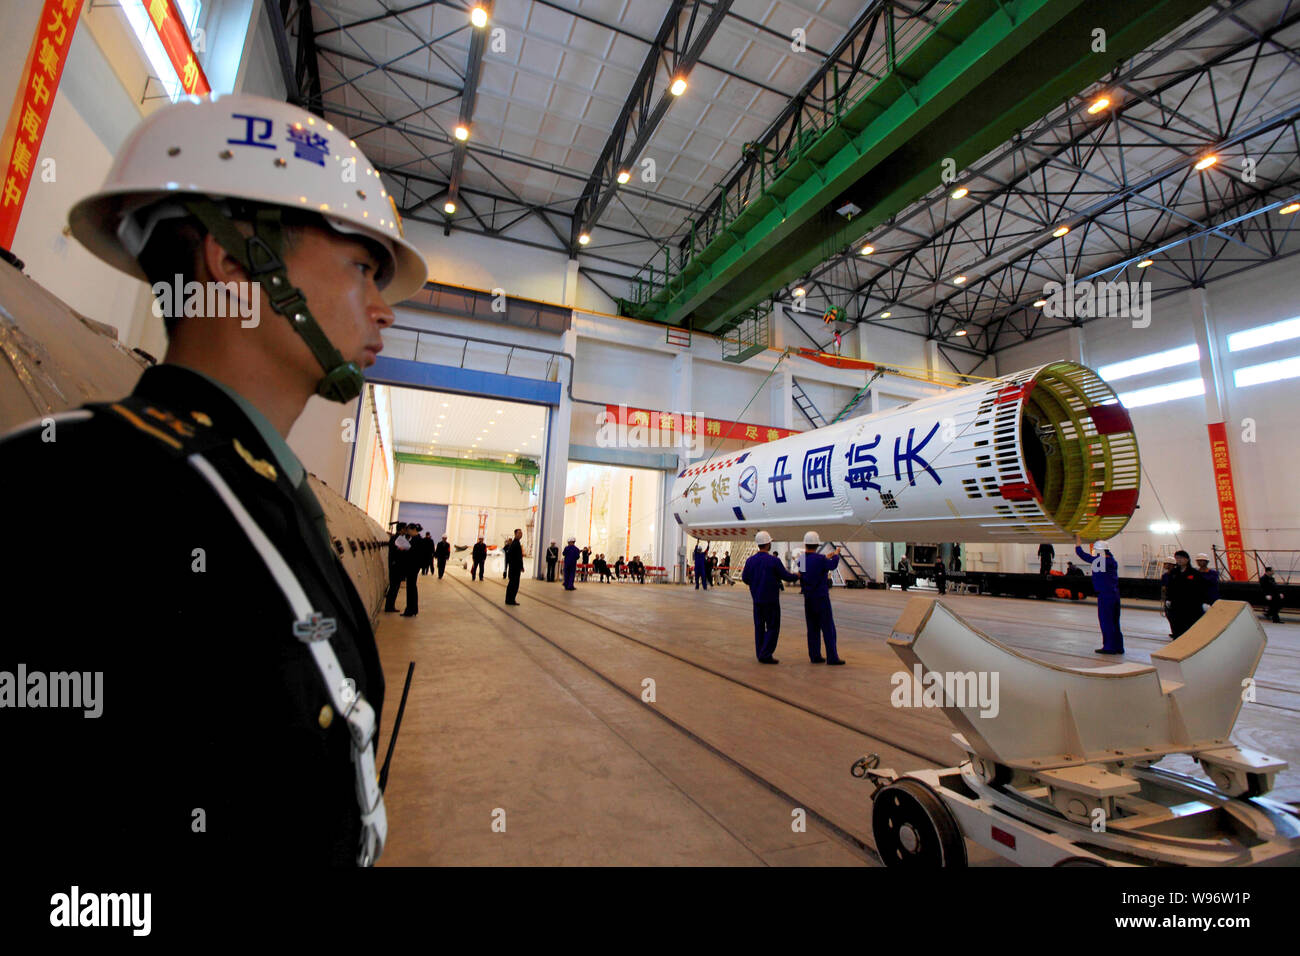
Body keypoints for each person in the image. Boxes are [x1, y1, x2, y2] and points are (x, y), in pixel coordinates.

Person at [0, 93, 427, 867]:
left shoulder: (259, 490)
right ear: (232, 260)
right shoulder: (74, 493)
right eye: (361, 267)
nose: (381, 308)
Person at [742, 531, 800, 663]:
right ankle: (766, 654)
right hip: (771, 601)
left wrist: (755, 585)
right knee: (773, 627)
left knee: (759, 627)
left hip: (757, 600)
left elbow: (745, 578)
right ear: (768, 544)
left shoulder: (750, 561)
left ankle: (760, 652)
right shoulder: (774, 561)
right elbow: (785, 576)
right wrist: (797, 576)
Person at [800, 532, 845, 664]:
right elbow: (832, 565)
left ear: (806, 544)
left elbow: (804, 573)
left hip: (808, 599)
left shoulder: (802, 559)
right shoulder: (821, 559)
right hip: (821, 598)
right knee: (828, 628)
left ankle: (815, 656)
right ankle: (832, 657)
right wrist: (836, 555)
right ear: (817, 544)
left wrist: (826, 557)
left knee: (812, 628)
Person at [1075, 535, 1123, 654]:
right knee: (1115, 622)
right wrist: (1099, 542)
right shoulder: (1112, 561)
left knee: (1106, 621)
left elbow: (1084, 556)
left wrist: (1078, 544)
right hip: (1115, 594)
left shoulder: (1101, 562)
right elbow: (1101, 555)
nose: (1094, 552)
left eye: (1096, 550)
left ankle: (1109, 647)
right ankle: (1118, 647)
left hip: (1105, 596)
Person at [1163, 549, 1206, 639]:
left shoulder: (1194, 573)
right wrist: (1168, 599)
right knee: (1177, 626)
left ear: (1187, 559)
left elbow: (1200, 589)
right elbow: (1170, 587)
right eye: (1177, 558)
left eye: (1181, 558)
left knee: (1190, 628)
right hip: (1176, 605)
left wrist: (1202, 602)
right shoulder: (1174, 573)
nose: (1179, 560)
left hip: (1191, 606)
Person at [385, 522, 411, 612]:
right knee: (394, 587)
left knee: (394, 587)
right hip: (396, 567)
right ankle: (389, 607)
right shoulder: (397, 539)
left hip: (395, 566)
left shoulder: (396, 538)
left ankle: (390, 606)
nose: (406, 531)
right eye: (405, 529)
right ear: (401, 529)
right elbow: (401, 552)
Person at [400, 523, 422, 617]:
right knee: (412, 588)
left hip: (412, 567)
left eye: (409, 531)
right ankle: (413, 609)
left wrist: (404, 550)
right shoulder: (416, 539)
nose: (408, 532)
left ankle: (409, 610)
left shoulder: (416, 540)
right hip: (414, 567)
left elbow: (413, 554)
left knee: (411, 588)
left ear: (413, 530)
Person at [504, 528, 524, 605]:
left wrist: (521, 566)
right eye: (519, 533)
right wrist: (517, 566)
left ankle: (510, 599)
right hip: (514, 568)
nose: (520, 534)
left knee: (513, 584)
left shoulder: (517, 543)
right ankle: (510, 600)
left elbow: (519, 556)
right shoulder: (515, 543)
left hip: (515, 567)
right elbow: (513, 556)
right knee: (513, 584)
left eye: (521, 533)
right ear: (515, 534)